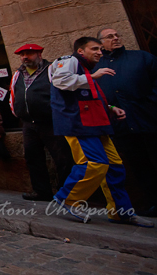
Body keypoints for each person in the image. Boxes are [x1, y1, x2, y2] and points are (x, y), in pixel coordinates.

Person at [49, 37, 153, 227]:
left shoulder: (87, 69)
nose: (99, 52)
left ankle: (120, 212)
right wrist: (92, 77)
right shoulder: (68, 61)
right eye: (94, 48)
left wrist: (110, 107)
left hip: (96, 124)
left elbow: (88, 95)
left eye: (100, 49)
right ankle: (68, 198)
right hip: (78, 124)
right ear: (81, 51)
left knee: (115, 166)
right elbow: (60, 80)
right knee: (94, 164)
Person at [95, 28, 157, 217]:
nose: (115, 39)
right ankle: (152, 202)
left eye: (117, 35)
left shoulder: (141, 58)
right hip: (122, 127)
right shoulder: (98, 67)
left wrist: (151, 104)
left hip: (148, 120)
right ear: (101, 43)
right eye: (109, 37)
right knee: (139, 166)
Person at [9, 43, 72, 202]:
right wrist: (17, 112)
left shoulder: (51, 70)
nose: (25, 57)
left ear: (39, 54)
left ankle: (66, 193)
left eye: (29, 54)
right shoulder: (18, 74)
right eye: (22, 55)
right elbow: (13, 95)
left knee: (62, 157)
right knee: (33, 157)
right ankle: (41, 191)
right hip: (28, 123)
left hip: (50, 121)